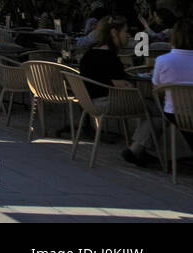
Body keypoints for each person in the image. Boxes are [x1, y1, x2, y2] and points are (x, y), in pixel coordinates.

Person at [123, 18, 193, 168]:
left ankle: (138, 148)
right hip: (186, 111)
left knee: (150, 107)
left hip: (174, 112)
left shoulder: (163, 60)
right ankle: (139, 149)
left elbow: (156, 89)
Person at [78, 16, 135, 108]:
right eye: (126, 31)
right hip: (107, 102)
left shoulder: (89, 54)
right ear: (114, 32)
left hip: (87, 103)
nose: (128, 35)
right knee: (150, 105)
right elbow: (124, 85)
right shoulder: (109, 57)